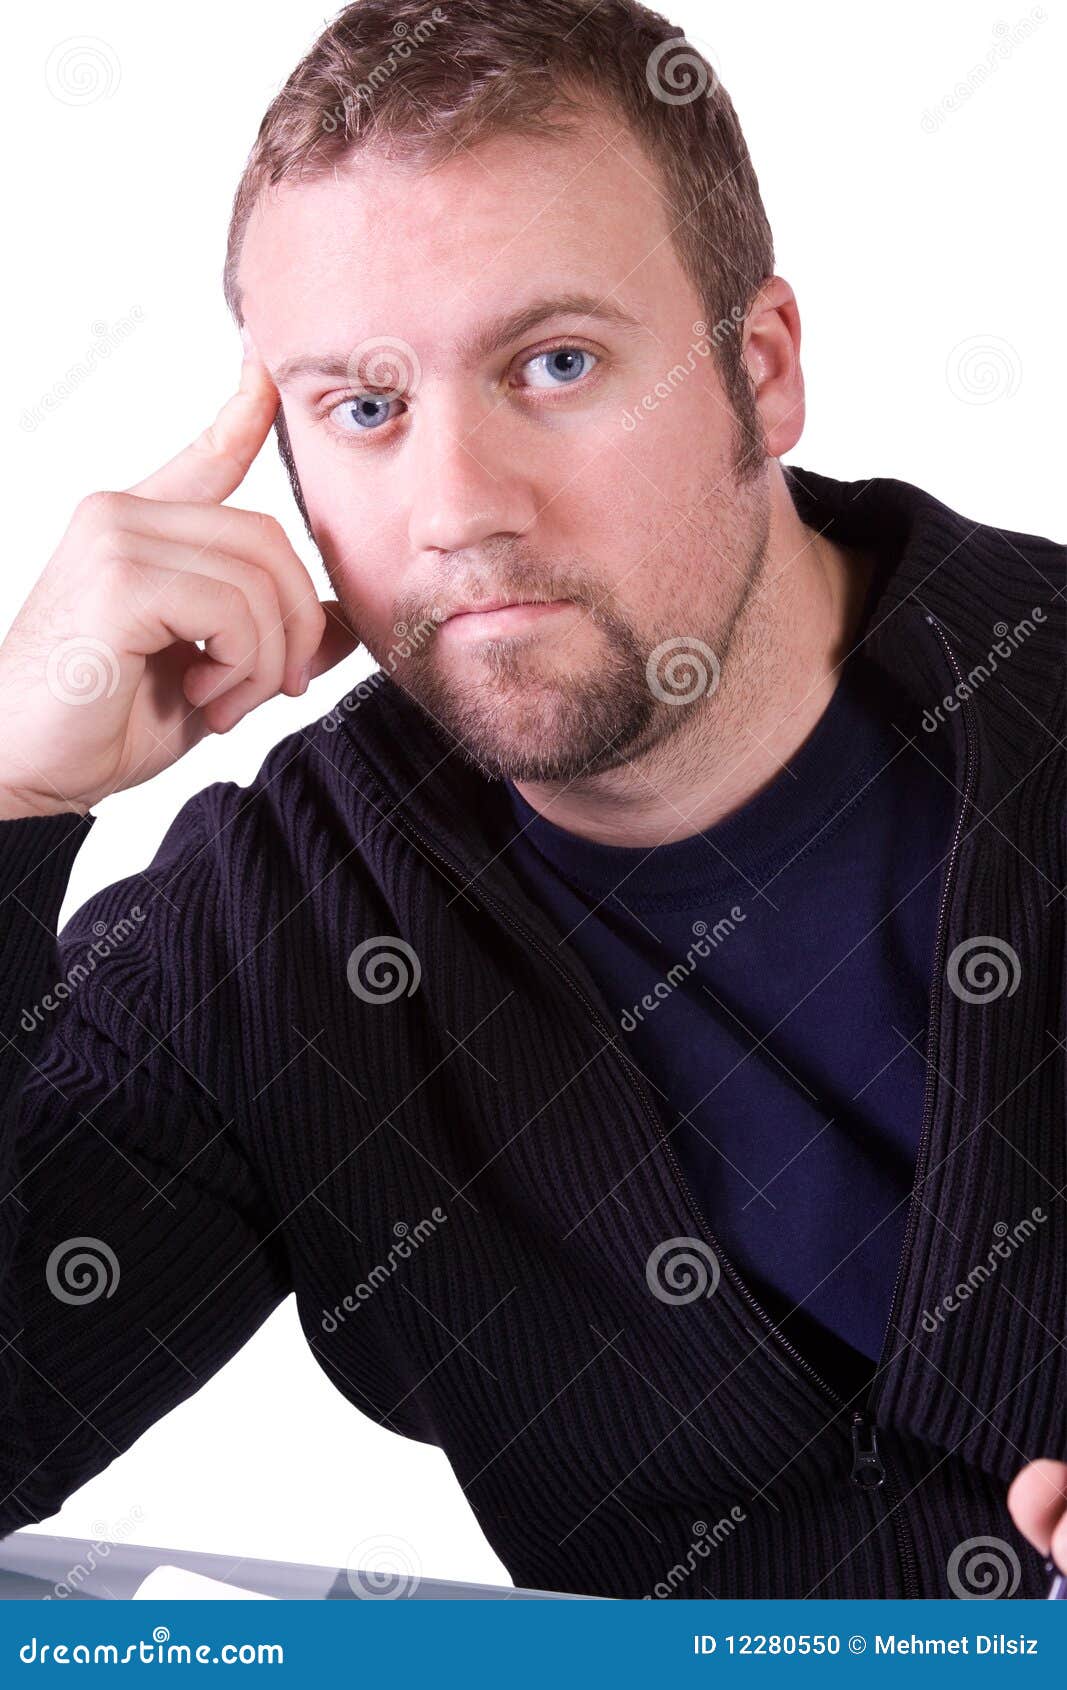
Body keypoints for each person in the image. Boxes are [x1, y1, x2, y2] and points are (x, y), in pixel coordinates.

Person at [0, 0, 1063, 1600]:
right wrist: (7, 788)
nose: (457, 510)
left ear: (758, 372)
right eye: (361, 408)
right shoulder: (278, 934)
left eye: (555, 363)